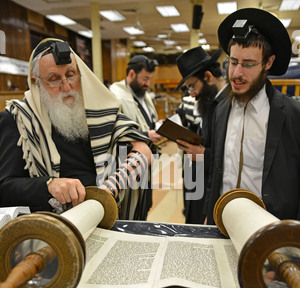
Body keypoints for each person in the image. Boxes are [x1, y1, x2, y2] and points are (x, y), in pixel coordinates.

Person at [0, 38, 151, 219]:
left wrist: (112, 186)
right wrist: (49, 185)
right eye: (54, 79)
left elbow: (143, 149)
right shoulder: (19, 120)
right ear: (36, 82)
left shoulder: (96, 111)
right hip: (55, 225)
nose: (67, 86)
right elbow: (5, 187)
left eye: (71, 75)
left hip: (108, 213)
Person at [205, 8, 300, 224]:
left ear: (268, 63)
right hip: (222, 226)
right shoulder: (219, 109)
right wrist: (208, 215)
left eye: (248, 64)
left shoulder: (292, 116)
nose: (237, 73)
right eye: (233, 62)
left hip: (270, 231)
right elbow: (216, 172)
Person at [175, 46, 228, 224]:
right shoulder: (209, 101)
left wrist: (203, 154)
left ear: (208, 77)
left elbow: (232, 158)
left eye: (192, 86)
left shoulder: (229, 105)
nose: (192, 94)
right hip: (199, 187)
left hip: (212, 195)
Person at [110, 55, 164, 219]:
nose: (148, 83)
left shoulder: (143, 94)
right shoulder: (115, 95)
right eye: (145, 78)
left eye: (149, 79)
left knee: (144, 206)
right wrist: (146, 135)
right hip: (126, 164)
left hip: (146, 163)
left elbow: (147, 120)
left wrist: (158, 126)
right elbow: (115, 132)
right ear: (132, 74)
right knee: (129, 211)